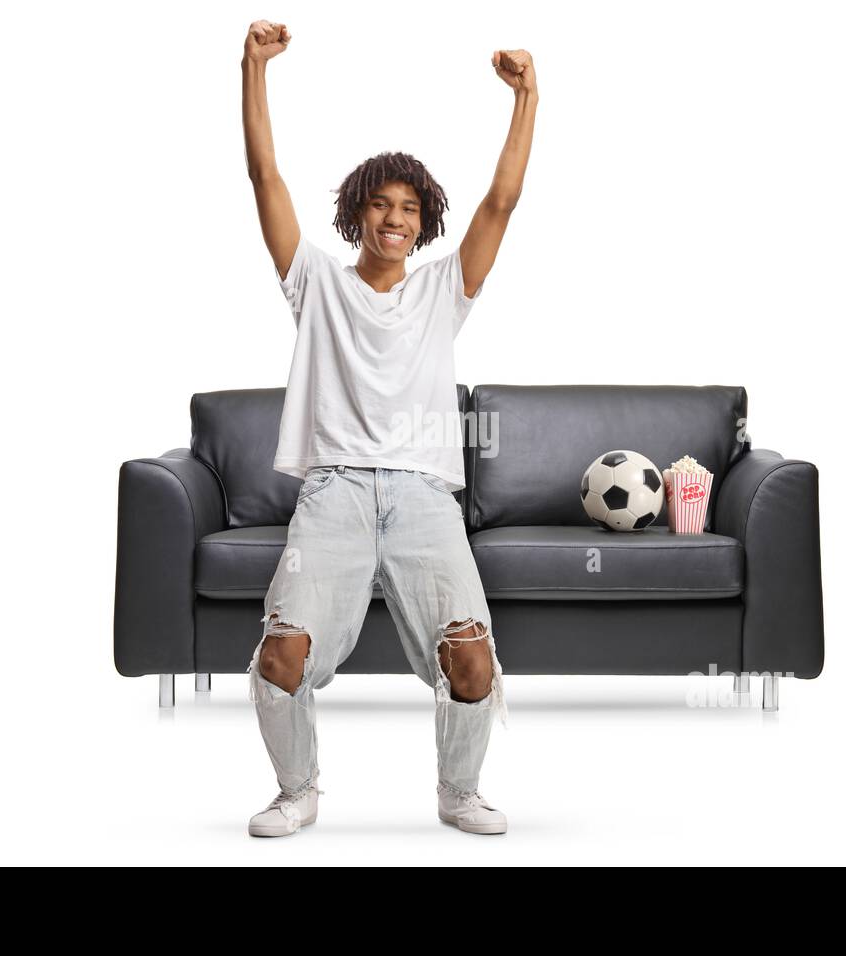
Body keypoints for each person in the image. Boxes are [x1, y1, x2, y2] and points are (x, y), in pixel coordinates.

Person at [239, 19, 537, 837]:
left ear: (424, 220)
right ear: (357, 215)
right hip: (333, 490)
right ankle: (296, 790)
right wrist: (253, 68)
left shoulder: (443, 291)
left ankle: (457, 791)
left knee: (472, 659)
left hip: (423, 497)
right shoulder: (317, 286)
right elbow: (264, 173)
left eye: (409, 208)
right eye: (381, 204)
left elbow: (502, 200)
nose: (395, 218)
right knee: (282, 653)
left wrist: (527, 98)